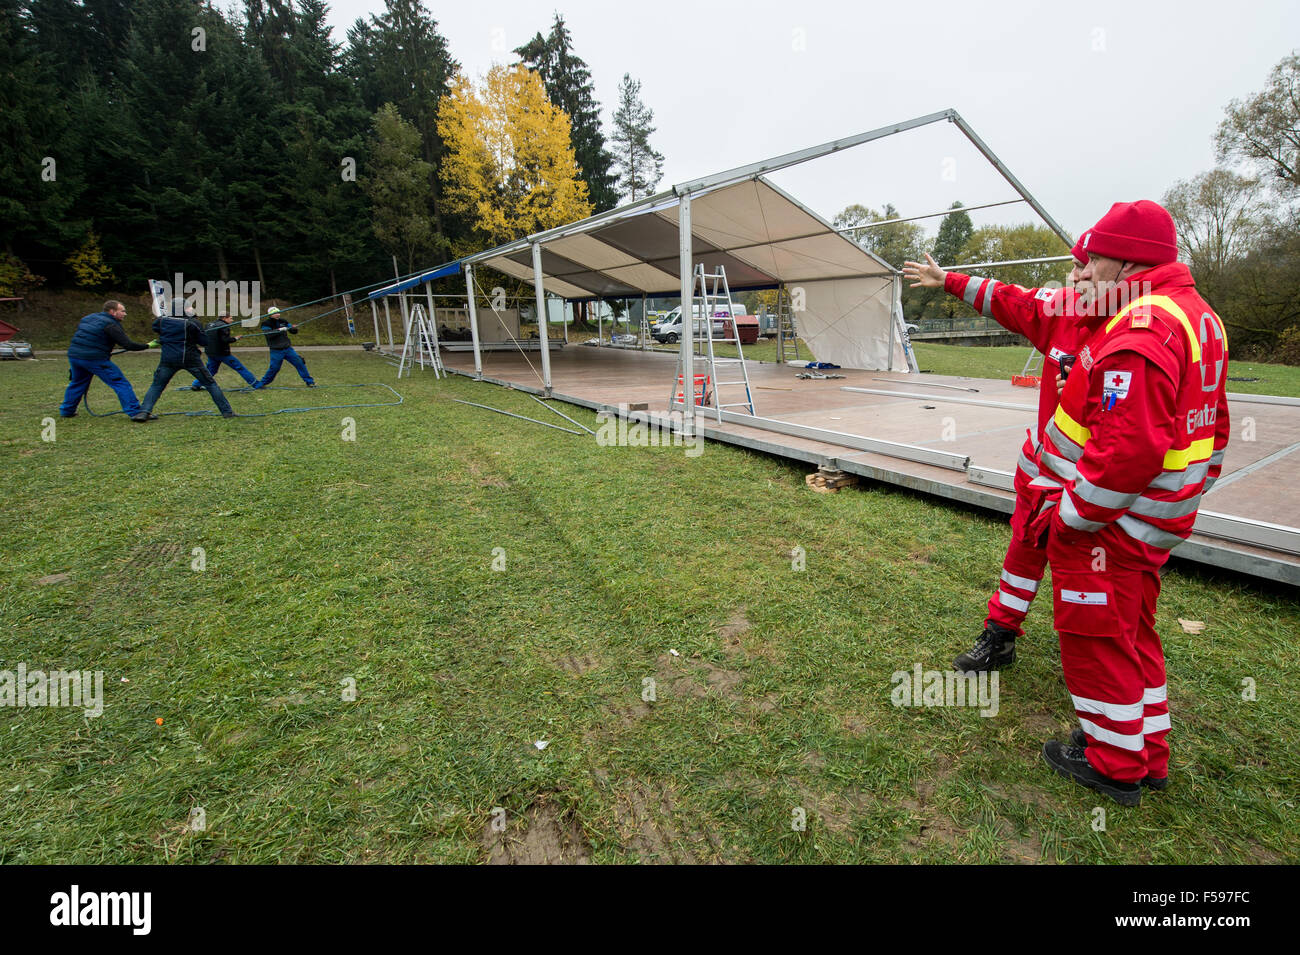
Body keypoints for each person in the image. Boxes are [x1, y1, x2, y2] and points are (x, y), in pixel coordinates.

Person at [1032, 200, 1230, 806]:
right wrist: (1181, 502)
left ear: (1126, 262)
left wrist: (1072, 519)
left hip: (1106, 528)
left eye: (1092, 259)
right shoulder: (1199, 318)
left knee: (1096, 638)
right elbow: (1214, 429)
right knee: (1133, 634)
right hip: (1151, 524)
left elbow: (1128, 453)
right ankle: (1149, 751)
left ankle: (1113, 764)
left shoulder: (1141, 329)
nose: (1083, 271)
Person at [902, 241, 1102, 672]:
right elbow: (1009, 298)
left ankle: (1095, 667)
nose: (1075, 277)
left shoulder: (1139, 330)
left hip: (1101, 486)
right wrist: (948, 281)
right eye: (1074, 268)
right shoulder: (1063, 309)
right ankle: (1001, 634)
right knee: (1024, 551)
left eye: (1086, 268)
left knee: (1092, 578)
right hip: (1047, 473)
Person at [59, 300, 154, 422]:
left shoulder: (89, 318)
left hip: (74, 356)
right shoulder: (111, 325)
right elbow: (128, 344)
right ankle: (135, 412)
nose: (125, 314)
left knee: (78, 383)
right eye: (122, 311)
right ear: (113, 312)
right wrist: (147, 345)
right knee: (120, 383)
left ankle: (67, 410)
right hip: (94, 359)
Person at [139, 298, 235, 418]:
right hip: (190, 359)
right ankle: (227, 412)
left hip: (168, 359)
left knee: (157, 385)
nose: (192, 309)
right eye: (190, 307)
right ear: (185, 309)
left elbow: (157, 329)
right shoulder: (193, 323)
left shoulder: (161, 321)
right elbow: (204, 342)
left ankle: (144, 412)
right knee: (210, 384)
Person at [187, 314, 258, 389]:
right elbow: (225, 340)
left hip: (210, 352)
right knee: (239, 367)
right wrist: (235, 338)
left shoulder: (209, 324)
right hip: (222, 353)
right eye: (231, 318)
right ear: (224, 318)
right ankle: (255, 384)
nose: (232, 320)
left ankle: (196, 384)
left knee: (211, 371)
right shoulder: (224, 326)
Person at [253, 305, 315, 389]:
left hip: (288, 349)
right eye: (275, 313)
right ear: (270, 315)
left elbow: (294, 332)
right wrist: (280, 330)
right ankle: (261, 384)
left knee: (300, 363)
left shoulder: (283, 321)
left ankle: (309, 382)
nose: (278, 314)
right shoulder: (266, 323)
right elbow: (268, 335)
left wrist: (293, 328)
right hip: (276, 350)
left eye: (278, 312)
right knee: (274, 368)